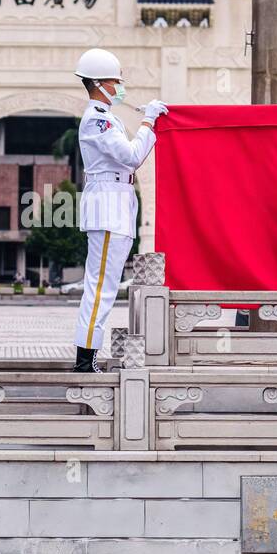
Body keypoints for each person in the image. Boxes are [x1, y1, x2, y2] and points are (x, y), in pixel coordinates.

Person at [71, 48, 167, 372]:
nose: (120, 87)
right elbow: (131, 156)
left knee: (104, 286)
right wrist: (148, 121)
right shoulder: (97, 119)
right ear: (99, 84)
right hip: (108, 205)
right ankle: (85, 361)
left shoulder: (107, 117)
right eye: (116, 81)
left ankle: (88, 357)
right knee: (101, 288)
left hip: (117, 202)